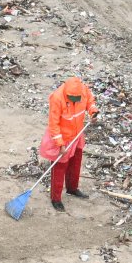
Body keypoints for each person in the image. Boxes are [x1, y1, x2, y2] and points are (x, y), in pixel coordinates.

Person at [44, 76, 99, 212]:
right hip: (62, 137)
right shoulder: (57, 98)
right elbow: (53, 124)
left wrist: (93, 111)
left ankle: (72, 188)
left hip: (77, 134)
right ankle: (56, 199)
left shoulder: (83, 89)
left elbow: (90, 101)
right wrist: (60, 144)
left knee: (75, 163)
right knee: (59, 168)